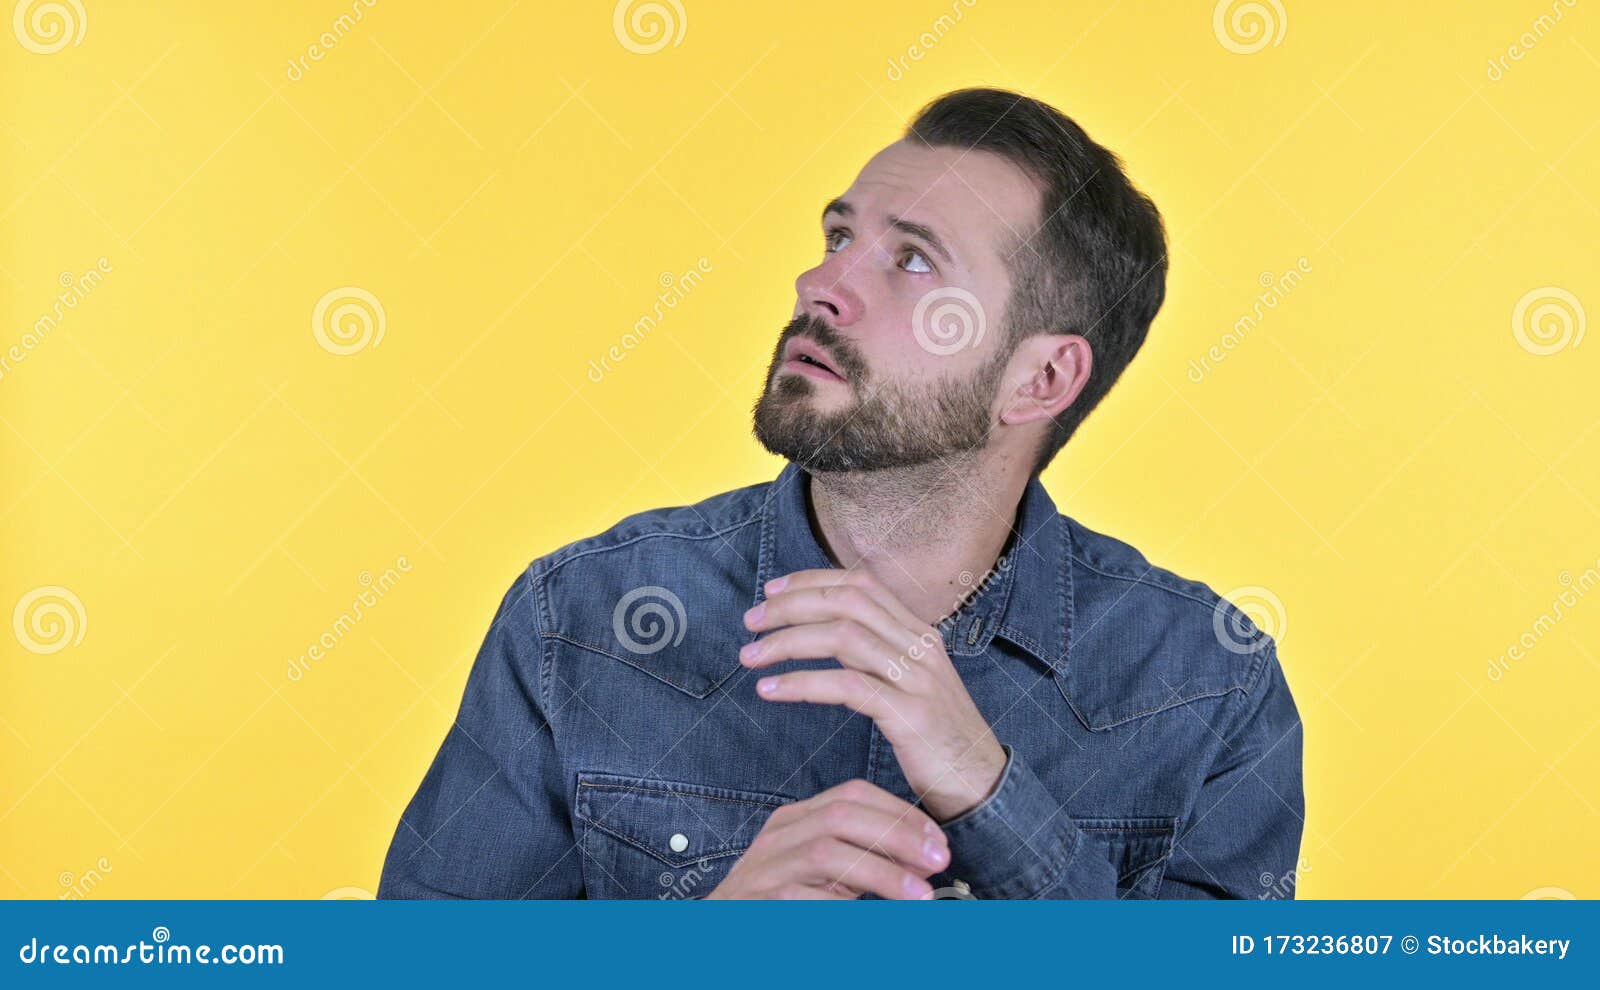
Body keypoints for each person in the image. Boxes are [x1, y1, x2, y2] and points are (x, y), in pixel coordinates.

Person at [378, 87, 1303, 900]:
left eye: (913, 261)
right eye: (839, 237)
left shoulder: (1211, 685)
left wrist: (992, 797)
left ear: (1041, 379)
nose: (820, 285)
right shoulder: (581, 619)